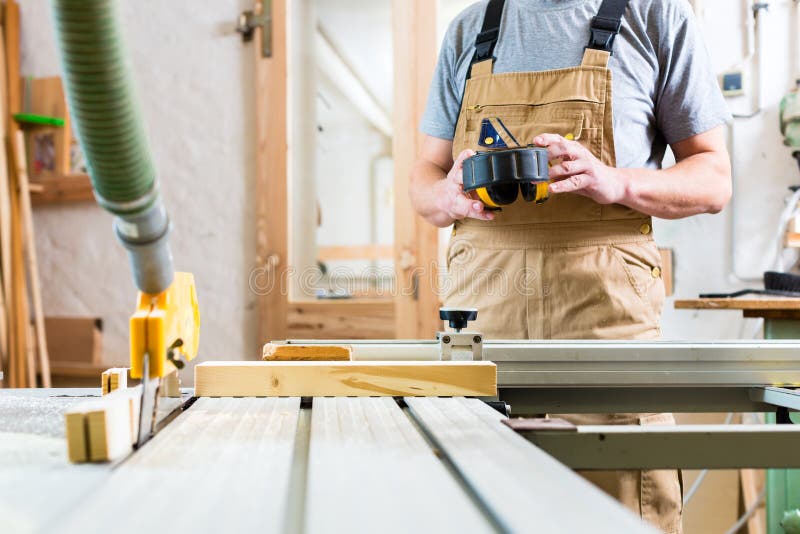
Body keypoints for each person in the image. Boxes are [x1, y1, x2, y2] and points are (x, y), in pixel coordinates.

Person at [410, 0, 732, 532]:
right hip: (482, 346)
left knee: (624, 509)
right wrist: (446, 196)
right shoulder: (470, 28)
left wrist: (617, 182)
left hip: (607, 345)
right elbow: (425, 175)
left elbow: (714, 178)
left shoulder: (655, 17)